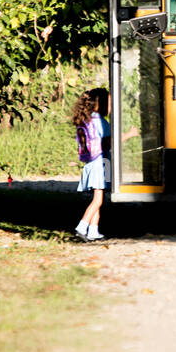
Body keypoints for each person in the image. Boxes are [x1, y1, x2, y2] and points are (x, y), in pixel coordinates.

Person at [73, 87, 112, 242]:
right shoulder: (102, 122)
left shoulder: (88, 120)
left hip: (91, 163)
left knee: (97, 199)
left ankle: (93, 231)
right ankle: (82, 227)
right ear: (100, 104)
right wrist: (129, 134)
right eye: (109, 103)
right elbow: (108, 144)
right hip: (100, 164)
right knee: (98, 200)